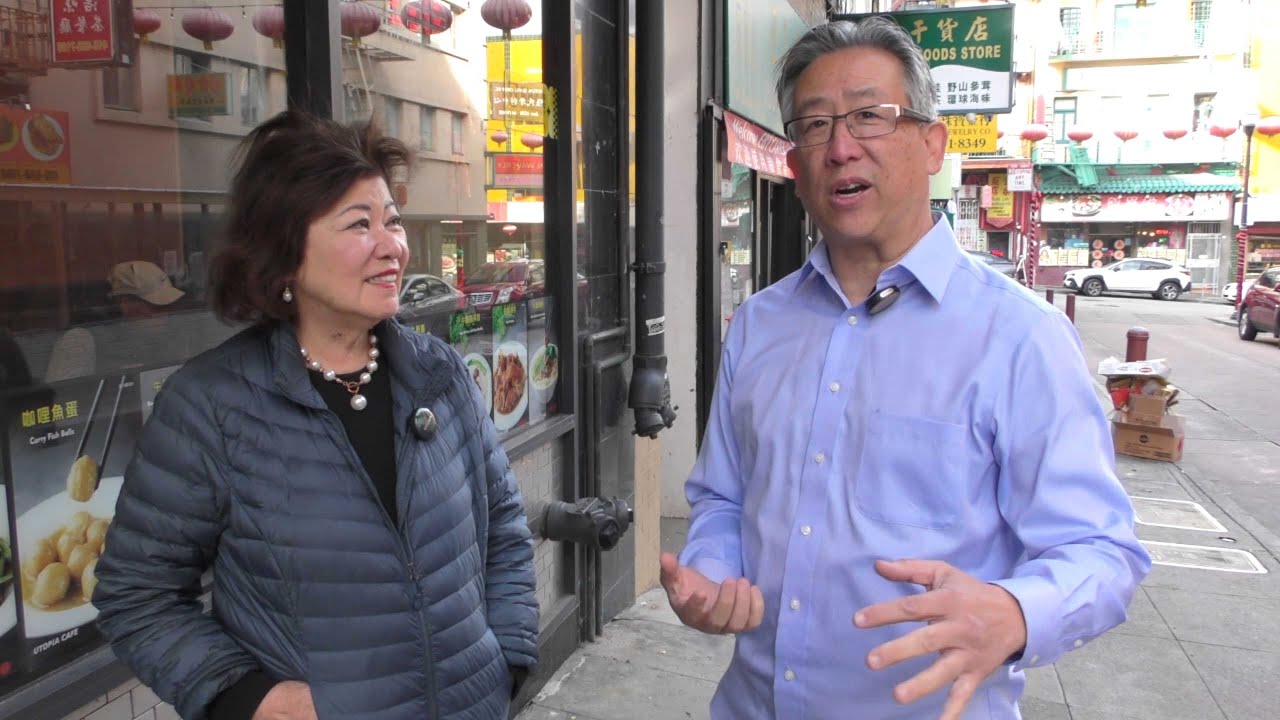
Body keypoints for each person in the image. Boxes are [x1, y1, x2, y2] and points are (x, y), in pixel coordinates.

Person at [660, 18, 1150, 720]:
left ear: (932, 143)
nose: (840, 147)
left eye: (869, 116)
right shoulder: (760, 326)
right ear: (792, 164)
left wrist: (1014, 614)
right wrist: (712, 571)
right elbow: (723, 499)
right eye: (815, 125)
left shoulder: (1018, 338)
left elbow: (1101, 551)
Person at [92, 110, 538, 720]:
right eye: (359, 224)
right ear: (284, 255)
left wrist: (504, 658)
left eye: (393, 221)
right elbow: (136, 595)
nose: (393, 246)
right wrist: (249, 698)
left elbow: (505, 529)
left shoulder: (440, 374)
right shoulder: (211, 407)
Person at [43, 260, 186, 383]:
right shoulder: (80, 340)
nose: (166, 315)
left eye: (169, 306)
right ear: (126, 304)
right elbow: (64, 401)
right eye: (156, 307)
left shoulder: (162, 340)